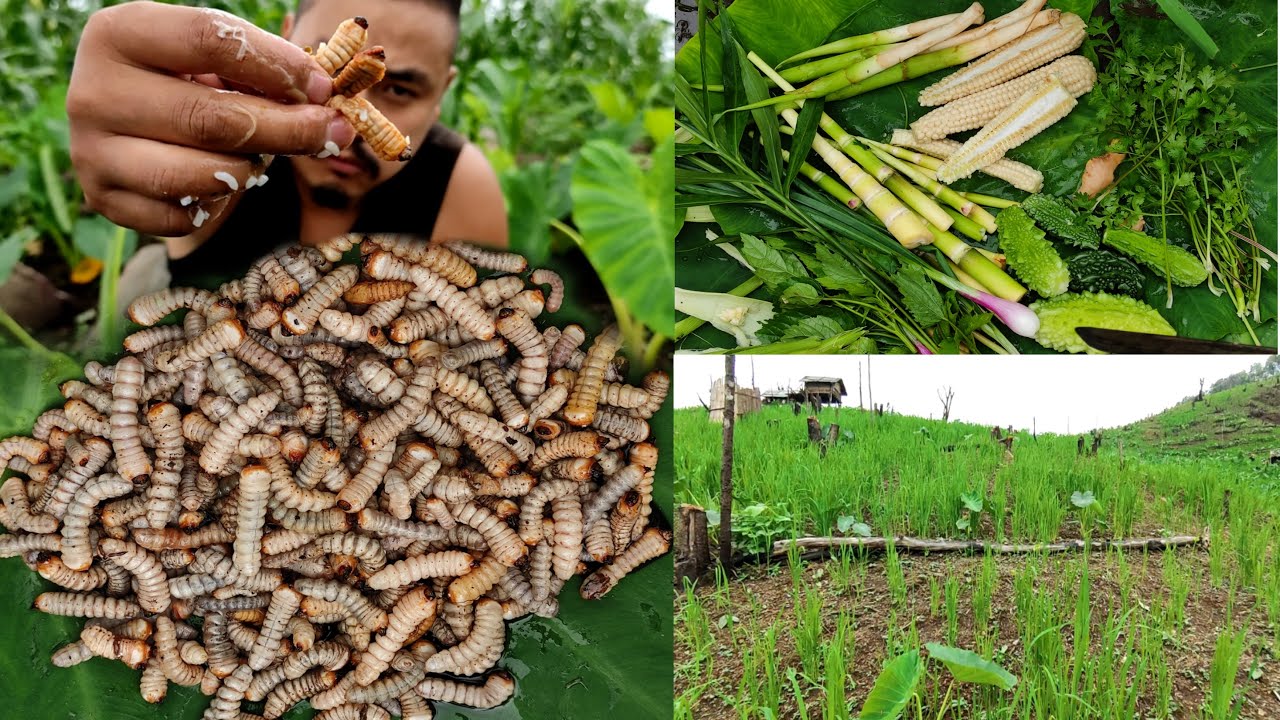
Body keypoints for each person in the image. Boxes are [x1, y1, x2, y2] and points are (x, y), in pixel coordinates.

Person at [66, 0, 507, 285]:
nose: (348, 124)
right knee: (141, 279)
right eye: (328, 67)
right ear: (286, 36)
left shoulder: (460, 187)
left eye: (401, 91)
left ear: (442, 95)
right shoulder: (231, 139)